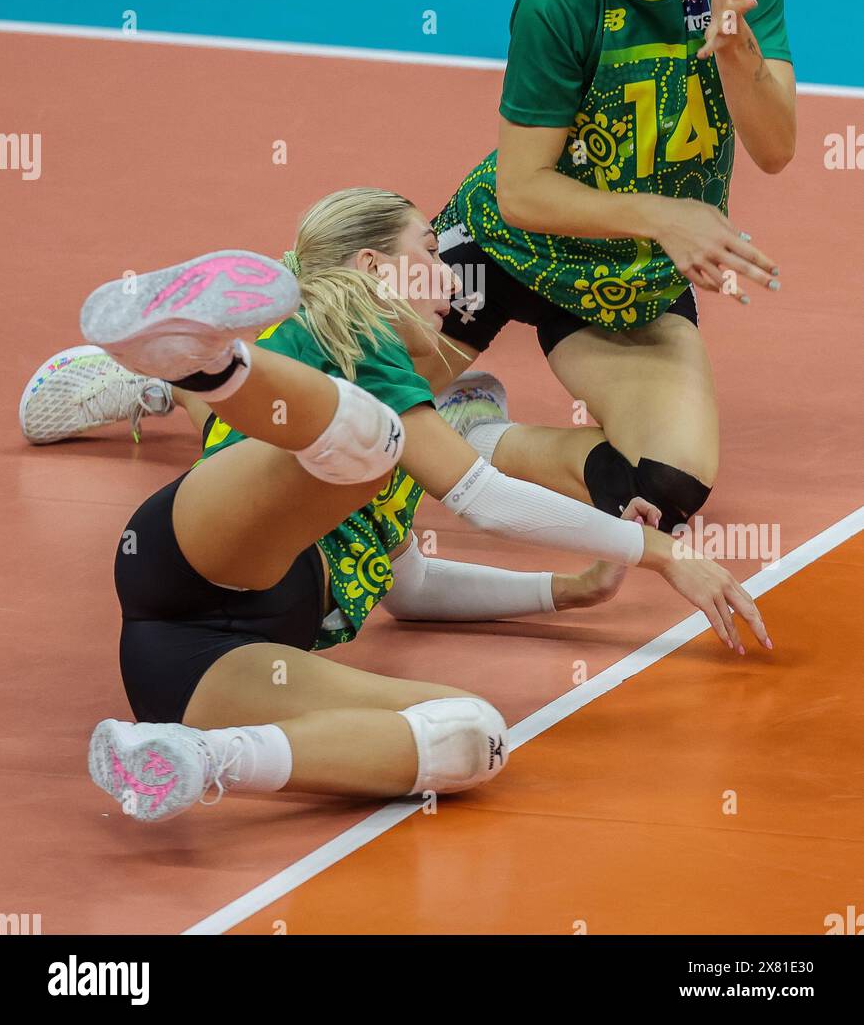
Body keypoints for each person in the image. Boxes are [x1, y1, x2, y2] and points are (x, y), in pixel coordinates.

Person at [62, 189, 768, 822]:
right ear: (373, 269)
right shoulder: (353, 333)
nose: (454, 279)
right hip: (211, 553)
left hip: (201, 667)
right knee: (372, 440)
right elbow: (483, 498)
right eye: (430, 251)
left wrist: (568, 593)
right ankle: (202, 362)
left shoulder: (388, 405)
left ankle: (193, 762)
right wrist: (663, 553)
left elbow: (414, 586)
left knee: (473, 734)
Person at [420, 0, 796, 602]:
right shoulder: (560, 0)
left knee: (662, 492)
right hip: (505, 247)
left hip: (625, 283)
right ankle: (176, 368)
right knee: (320, 414)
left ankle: (470, 434)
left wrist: (738, 55)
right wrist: (666, 215)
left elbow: (775, 150)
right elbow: (522, 190)